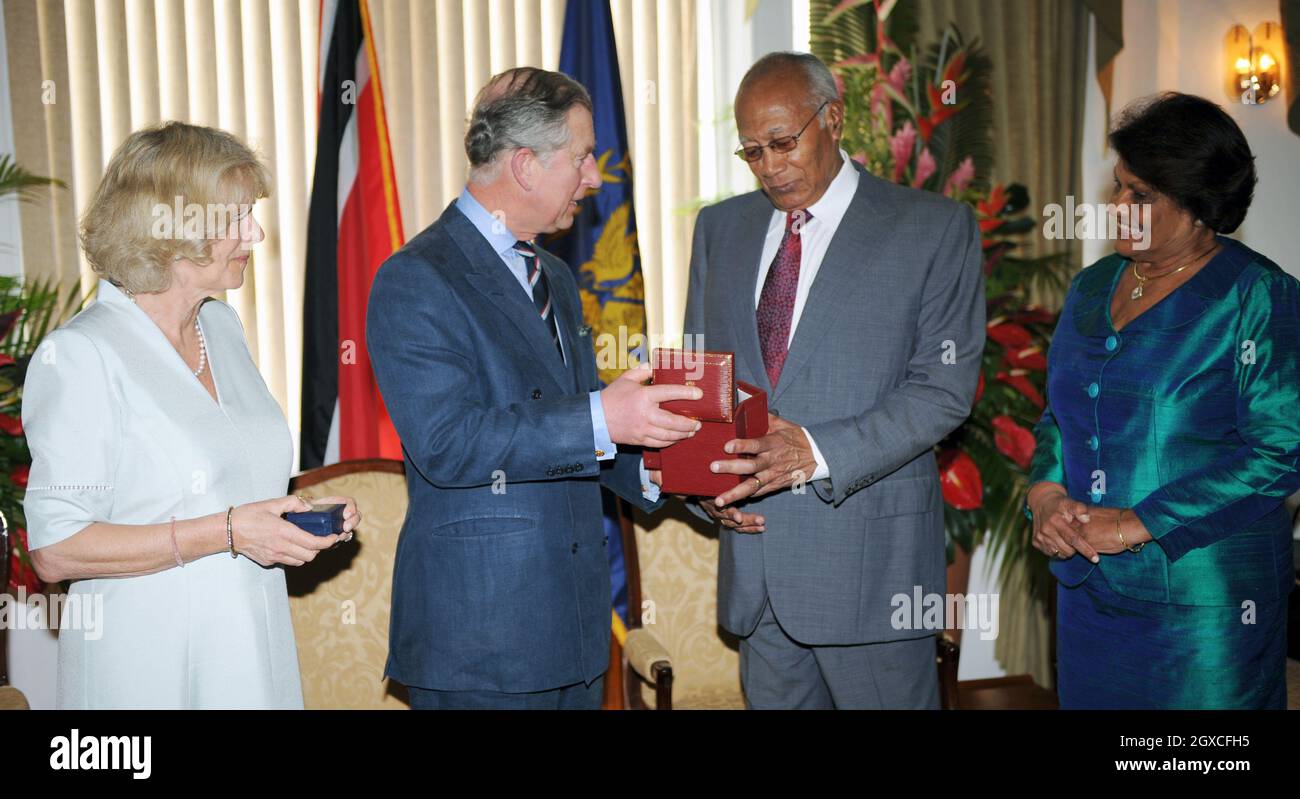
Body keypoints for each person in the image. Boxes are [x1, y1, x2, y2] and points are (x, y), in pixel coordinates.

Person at [366, 68, 701, 710]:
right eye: (580, 158)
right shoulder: (415, 279)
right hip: (481, 644)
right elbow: (448, 443)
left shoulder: (554, 274)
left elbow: (575, 428)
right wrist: (604, 415)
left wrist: (678, 472)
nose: (596, 177)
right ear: (524, 166)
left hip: (574, 635)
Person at [683, 52, 985, 709]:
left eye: (784, 142)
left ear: (835, 118)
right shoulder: (719, 229)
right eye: (752, 151)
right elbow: (702, 376)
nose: (769, 165)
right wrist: (704, 480)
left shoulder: (931, 228)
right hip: (757, 576)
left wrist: (815, 453)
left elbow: (944, 388)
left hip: (871, 576)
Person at [23, 121, 360, 709]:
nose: (254, 233)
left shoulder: (221, 328)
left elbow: (228, 488)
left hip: (252, 645)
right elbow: (57, 547)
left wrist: (295, 517)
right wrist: (228, 532)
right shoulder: (81, 354)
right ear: (171, 227)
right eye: (236, 218)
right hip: (146, 660)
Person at [1027, 92, 1300, 709]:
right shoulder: (1091, 286)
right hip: (1088, 592)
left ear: (1199, 206)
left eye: (1141, 196)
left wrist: (1134, 524)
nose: (1118, 209)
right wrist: (1044, 496)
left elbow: (1282, 451)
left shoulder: (1258, 297)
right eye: (1119, 188)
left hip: (1204, 607)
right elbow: (1059, 417)